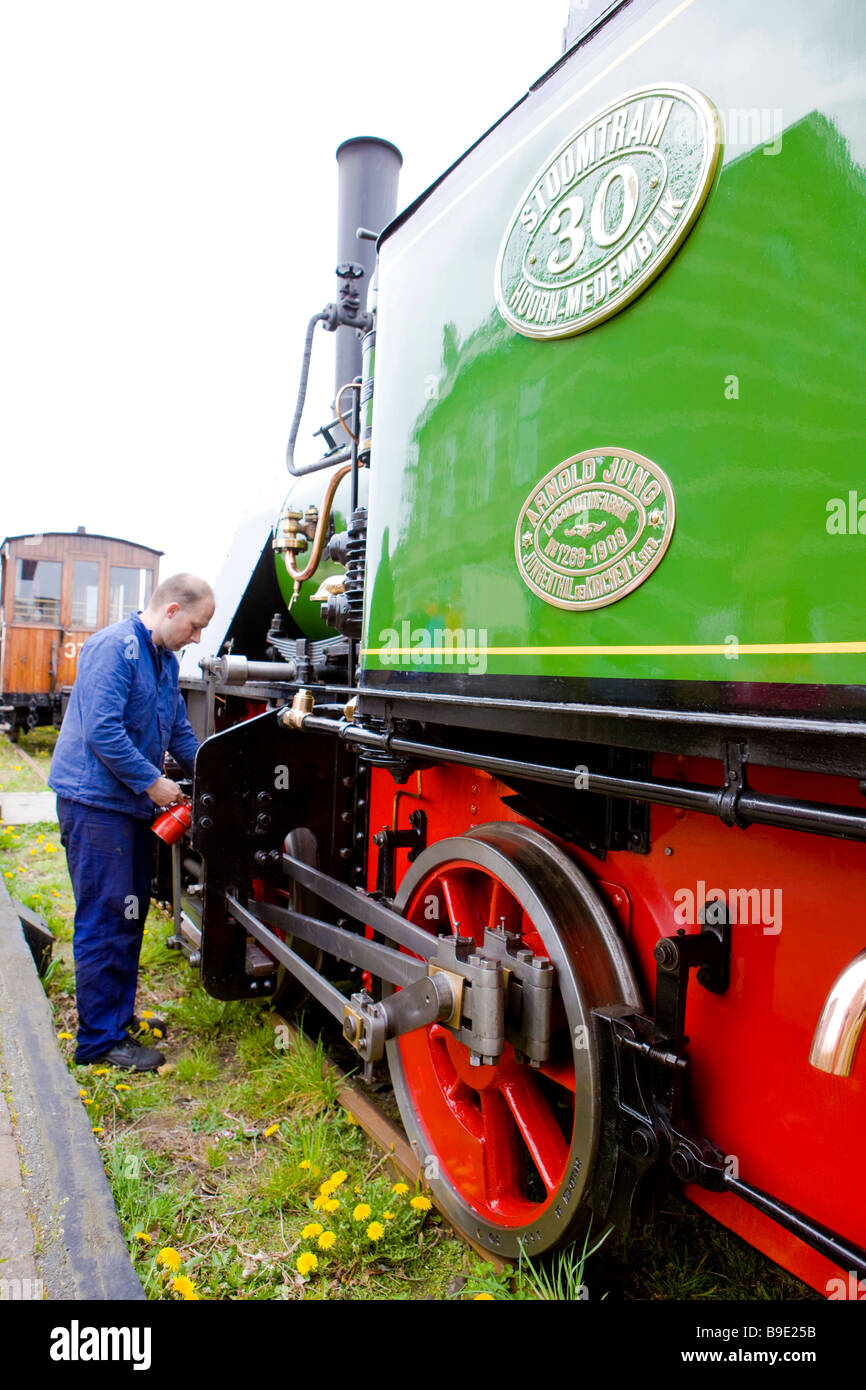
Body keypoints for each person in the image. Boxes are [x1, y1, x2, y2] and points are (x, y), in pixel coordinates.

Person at [49, 574, 215, 1072]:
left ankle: (115, 1019)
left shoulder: (163, 660)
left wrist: (213, 771)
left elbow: (178, 730)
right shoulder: (113, 648)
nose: (198, 638)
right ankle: (99, 1042)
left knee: (128, 914)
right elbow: (102, 728)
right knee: (106, 919)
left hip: (124, 809)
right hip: (96, 806)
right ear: (169, 611)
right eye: (195, 626)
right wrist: (152, 783)